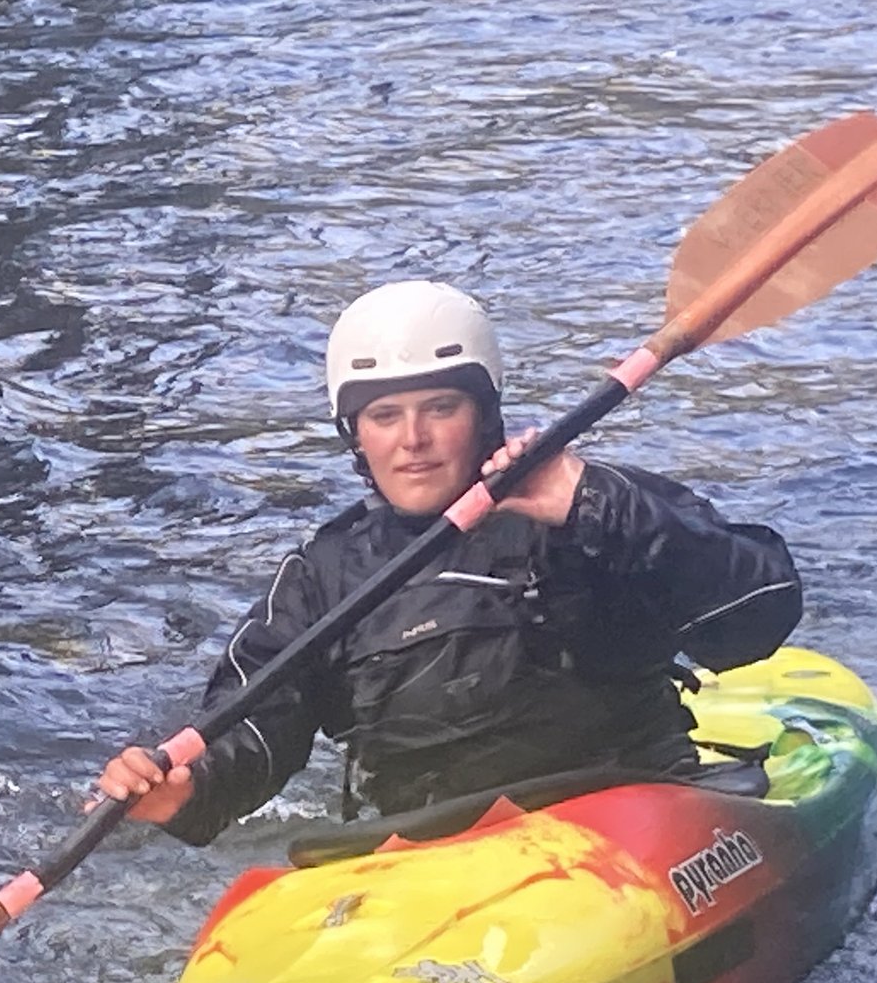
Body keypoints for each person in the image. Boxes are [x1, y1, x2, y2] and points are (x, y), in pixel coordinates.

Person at [94, 281, 802, 844]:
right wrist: (190, 787)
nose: (414, 440)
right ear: (356, 436)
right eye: (384, 416)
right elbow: (257, 722)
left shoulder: (581, 506)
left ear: (484, 413)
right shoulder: (326, 575)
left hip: (624, 817)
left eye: (440, 407)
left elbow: (758, 609)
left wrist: (590, 502)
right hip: (429, 855)